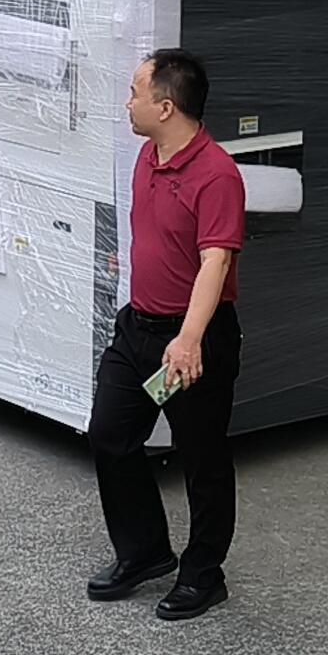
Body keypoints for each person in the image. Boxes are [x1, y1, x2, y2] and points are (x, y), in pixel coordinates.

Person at [86, 48, 245, 621]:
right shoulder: (148, 155)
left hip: (193, 338)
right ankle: (146, 551)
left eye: (135, 92)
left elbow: (215, 261)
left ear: (166, 106)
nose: (127, 103)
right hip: (138, 327)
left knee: (202, 458)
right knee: (109, 433)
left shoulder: (217, 175)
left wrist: (190, 339)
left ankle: (204, 575)